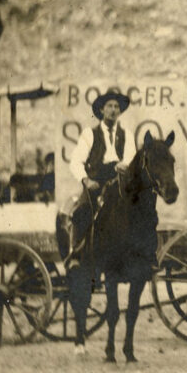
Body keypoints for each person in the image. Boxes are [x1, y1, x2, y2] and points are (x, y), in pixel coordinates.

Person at [64, 91, 136, 270]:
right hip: (96, 184)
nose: (113, 110)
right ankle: (77, 253)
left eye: (117, 107)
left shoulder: (127, 135)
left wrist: (124, 165)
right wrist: (86, 180)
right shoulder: (90, 134)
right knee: (81, 211)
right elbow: (76, 161)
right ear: (102, 110)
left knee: (138, 210)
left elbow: (131, 158)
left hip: (118, 184)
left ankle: (138, 255)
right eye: (110, 106)